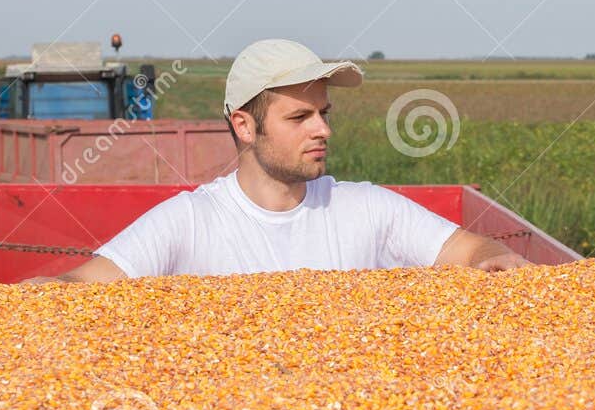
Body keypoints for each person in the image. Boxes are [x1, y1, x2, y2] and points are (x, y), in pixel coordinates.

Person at [26, 38, 528, 284]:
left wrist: (492, 259)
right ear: (245, 126)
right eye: (300, 117)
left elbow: (469, 250)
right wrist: (41, 293)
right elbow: (86, 284)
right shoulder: (190, 221)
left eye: (324, 114)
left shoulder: (368, 209)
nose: (322, 129)